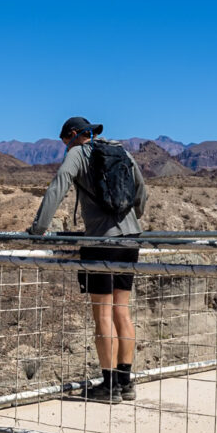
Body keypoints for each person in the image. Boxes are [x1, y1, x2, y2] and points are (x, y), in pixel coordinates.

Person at [26, 116, 148, 403]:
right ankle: (125, 382)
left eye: (64, 142)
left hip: (100, 243)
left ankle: (108, 387)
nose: (64, 147)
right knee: (122, 311)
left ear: (71, 135)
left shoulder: (77, 154)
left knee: (103, 315)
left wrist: (38, 229)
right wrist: (132, 219)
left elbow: (58, 187)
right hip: (131, 240)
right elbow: (141, 190)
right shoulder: (122, 151)